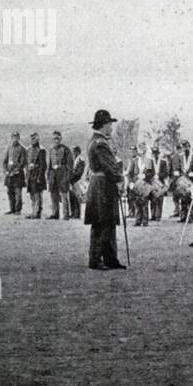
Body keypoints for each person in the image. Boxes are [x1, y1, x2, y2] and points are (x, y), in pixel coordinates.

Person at [84, 110, 126, 270]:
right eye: (109, 124)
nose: (111, 128)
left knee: (106, 222)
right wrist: (120, 179)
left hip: (100, 184)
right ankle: (96, 259)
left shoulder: (95, 141)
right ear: (103, 125)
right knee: (102, 222)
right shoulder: (100, 143)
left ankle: (109, 258)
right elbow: (110, 165)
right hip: (103, 185)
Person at [47, 131, 73, 220]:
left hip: (63, 175)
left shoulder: (66, 150)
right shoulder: (51, 149)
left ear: (61, 139)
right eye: (54, 139)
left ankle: (66, 215)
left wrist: (67, 176)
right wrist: (48, 176)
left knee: (64, 195)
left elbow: (70, 165)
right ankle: (55, 213)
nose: (56, 140)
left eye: (58, 138)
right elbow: (49, 164)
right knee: (53, 194)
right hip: (53, 175)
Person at [2, 131, 26, 214]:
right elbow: (4, 161)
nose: (14, 139)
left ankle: (17, 209)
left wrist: (15, 171)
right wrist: (5, 171)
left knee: (18, 192)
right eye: (13, 137)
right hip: (9, 174)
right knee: (10, 192)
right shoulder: (8, 148)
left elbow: (22, 162)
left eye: (16, 137)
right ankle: (11, 209)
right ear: (11, 138)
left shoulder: (22, 149)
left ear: (19, 138)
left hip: (18, 175)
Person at [24, 132, 47, 219]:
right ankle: (33, 211)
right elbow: (27, 163)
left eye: (35, 139)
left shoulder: (41, 150)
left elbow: (43, 165)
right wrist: (27, 175)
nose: (33, 140)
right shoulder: (28, 150)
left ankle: (37, 212)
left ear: (38, 139)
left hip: (37, 175)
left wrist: (39, 177)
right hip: (30, 175)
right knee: (32, 194)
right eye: (32, 139)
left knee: (38, 194)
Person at [68, 145, 86, 219]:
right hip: (73, 181)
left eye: (74, 151)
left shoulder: (81, 160)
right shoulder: (74, 160)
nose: (73, 153)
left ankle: (77, 214)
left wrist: (71, 176)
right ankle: (73, 213)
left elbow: (79, 172)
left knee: (77, 198)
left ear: (78, 152)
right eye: (73, 151)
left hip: (77, 181)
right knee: (72, 197)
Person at [153, 146, 169, 221]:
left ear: (158, 153)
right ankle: (153, 214)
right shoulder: (150, 161)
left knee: (159, 199)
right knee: (153, 198)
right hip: (153, 181)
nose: (155, 155)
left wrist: (159, 176)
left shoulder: (163, 161)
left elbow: (166, 173)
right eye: (153, 153)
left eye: (156, 153)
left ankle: (158, 215)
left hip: (160, 182)